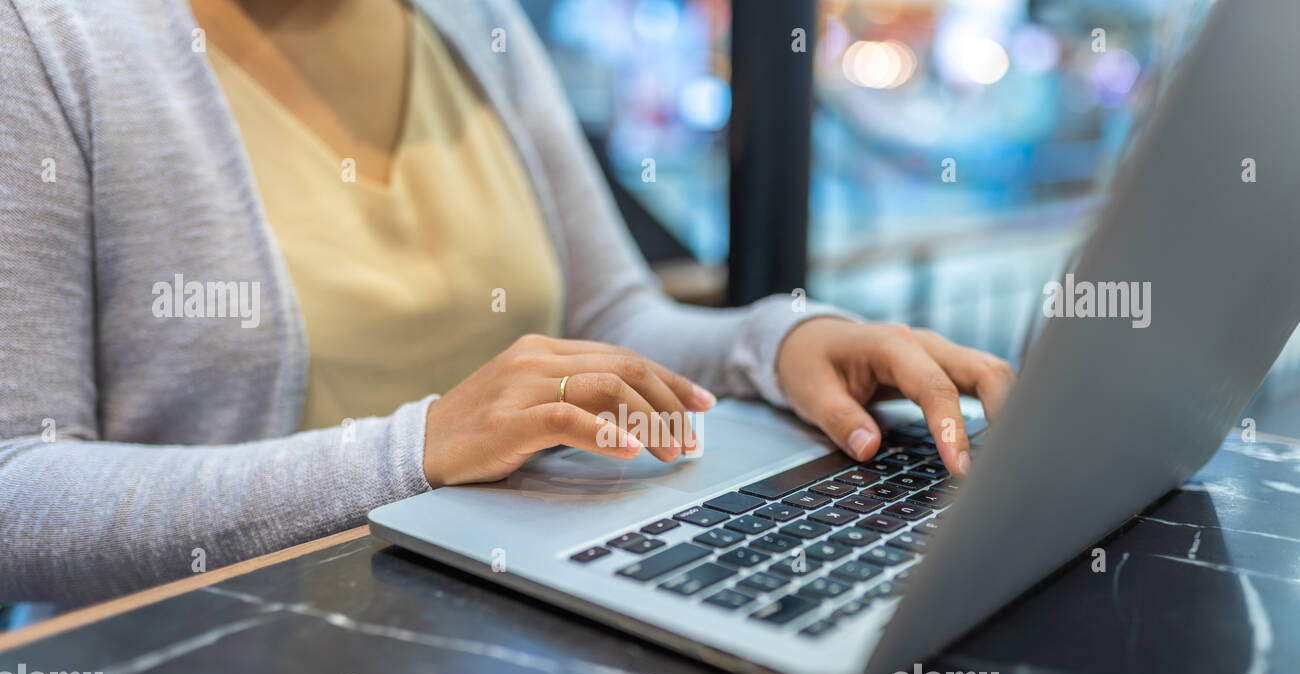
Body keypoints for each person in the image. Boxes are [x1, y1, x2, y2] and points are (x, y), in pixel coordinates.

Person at [0, 0, 1015, 607]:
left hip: (475, 658)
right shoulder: (50, 42)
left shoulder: (469, 19)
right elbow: (18, 490)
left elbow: (609, 316)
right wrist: (418, 448)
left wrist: (782, 340)